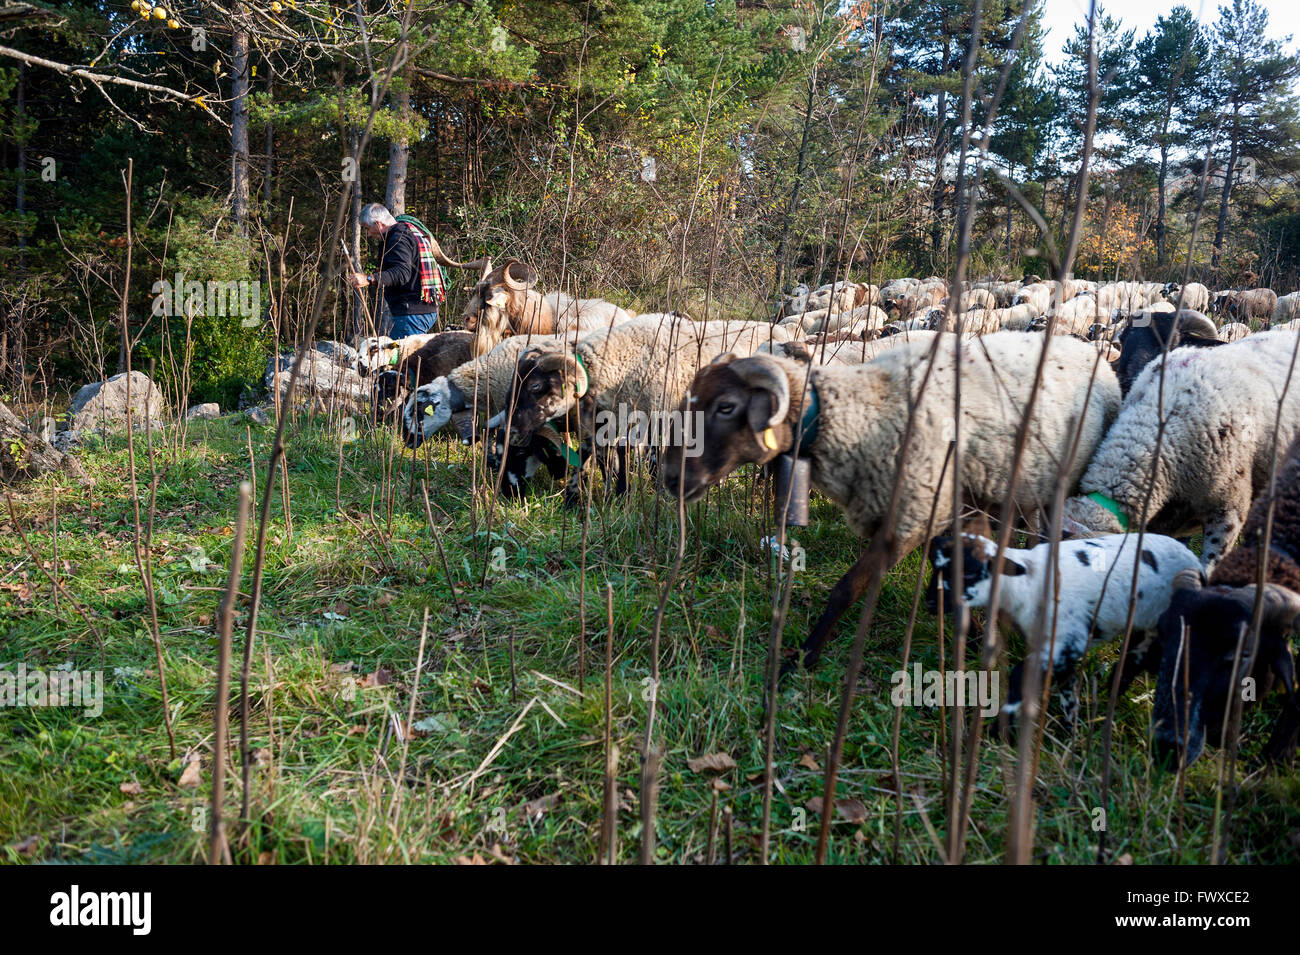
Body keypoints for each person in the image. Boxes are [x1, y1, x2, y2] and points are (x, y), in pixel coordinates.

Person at [348, 202, 446, 339]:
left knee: (402, 359)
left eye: (367, 228)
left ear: (378, 223)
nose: (368, 234)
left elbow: (401, 272)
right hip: (418, 310)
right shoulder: (405, 231)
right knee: (409, 358)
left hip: (412, 312)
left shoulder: (398, 238)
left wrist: (369, 279)